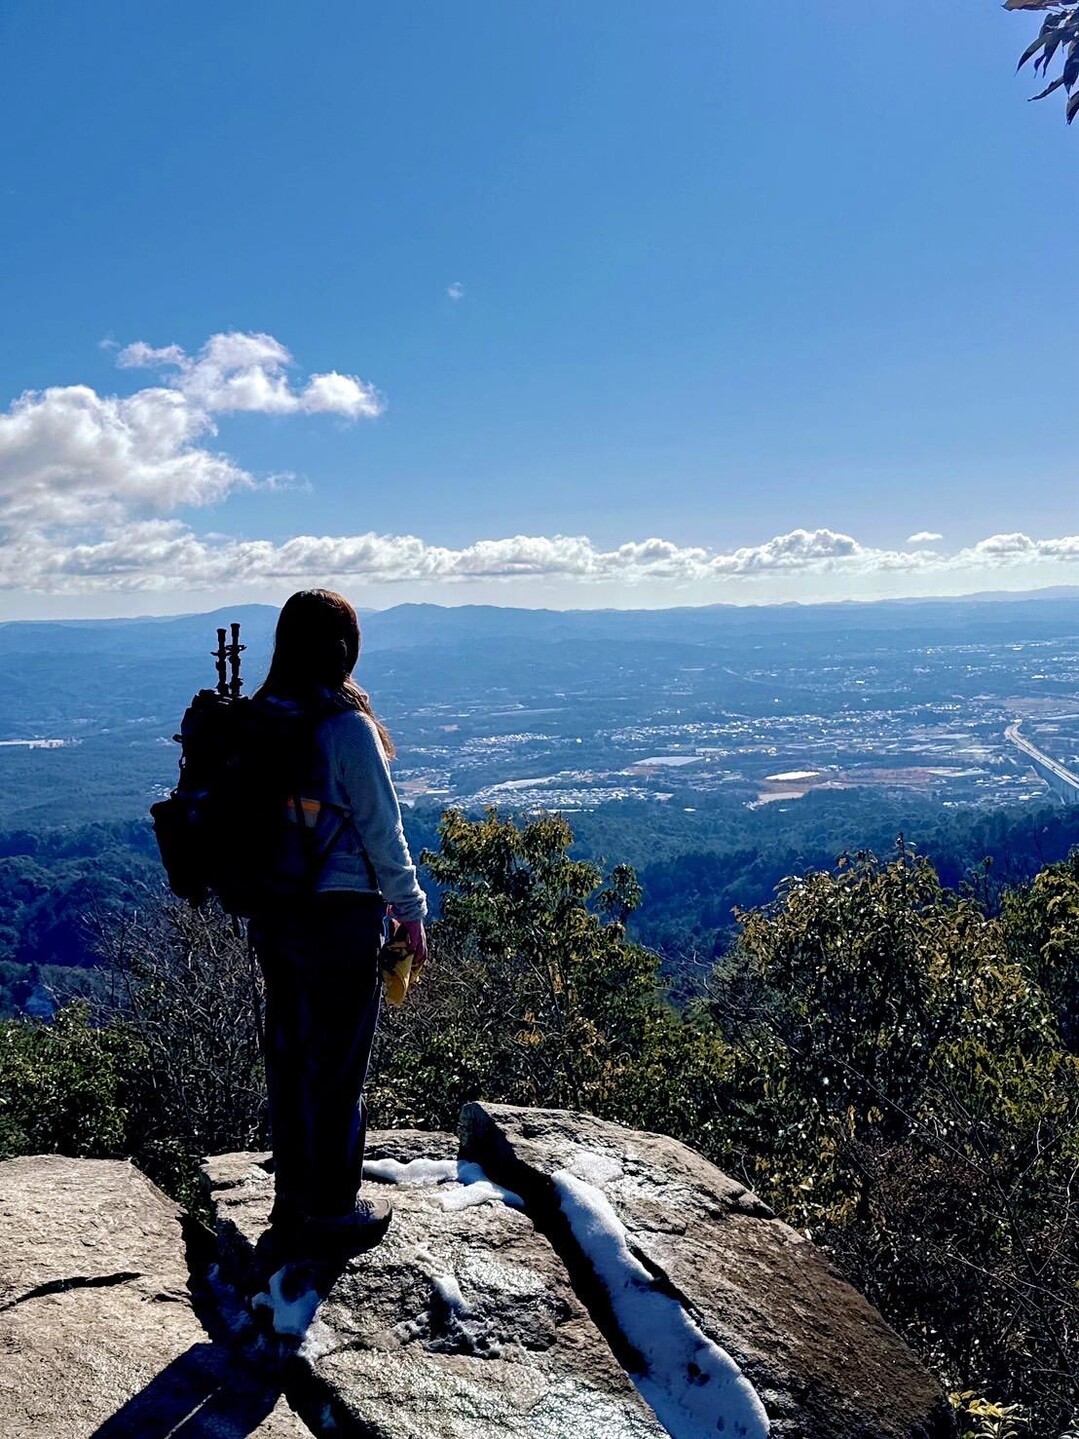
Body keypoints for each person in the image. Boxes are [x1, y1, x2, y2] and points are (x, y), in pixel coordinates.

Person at [248, 588, 427, 1253]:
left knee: (291, 1057)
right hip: (341, 916)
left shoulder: (261, 717)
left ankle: (293, 1201)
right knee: (339, 1065)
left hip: (276, 913)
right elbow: (383, 831)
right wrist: (410, 911)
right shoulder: (345, 727)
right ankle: (331, 1211)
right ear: (344, 649)